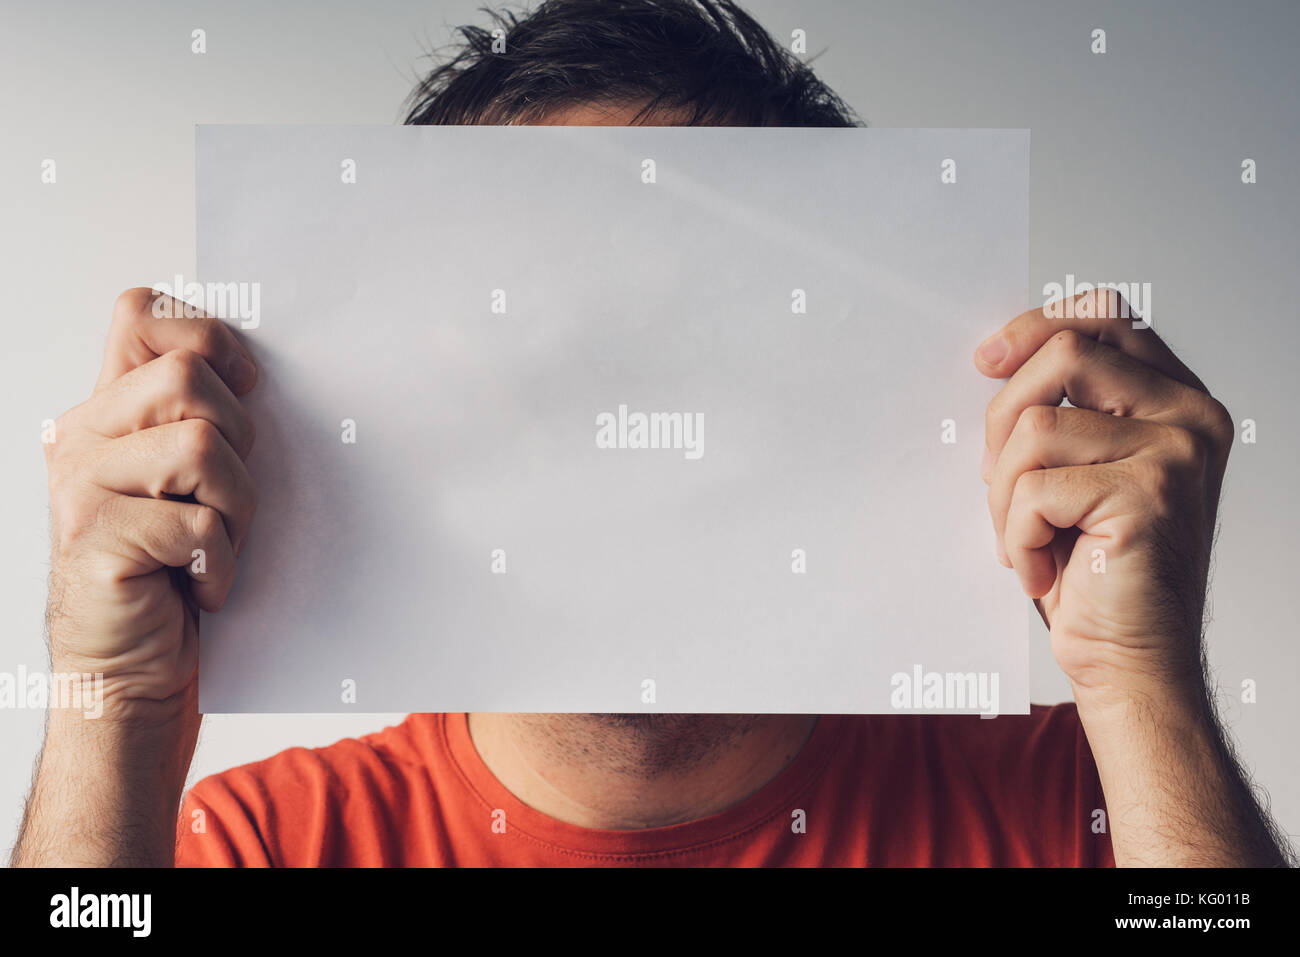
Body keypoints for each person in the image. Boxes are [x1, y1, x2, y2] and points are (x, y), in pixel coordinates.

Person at [11, 0, 1291, 868]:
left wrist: (1144, 683)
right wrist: (110, 711)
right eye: (526, 327)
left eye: (710, 321)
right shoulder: (270, 842)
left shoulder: (1083, 807)